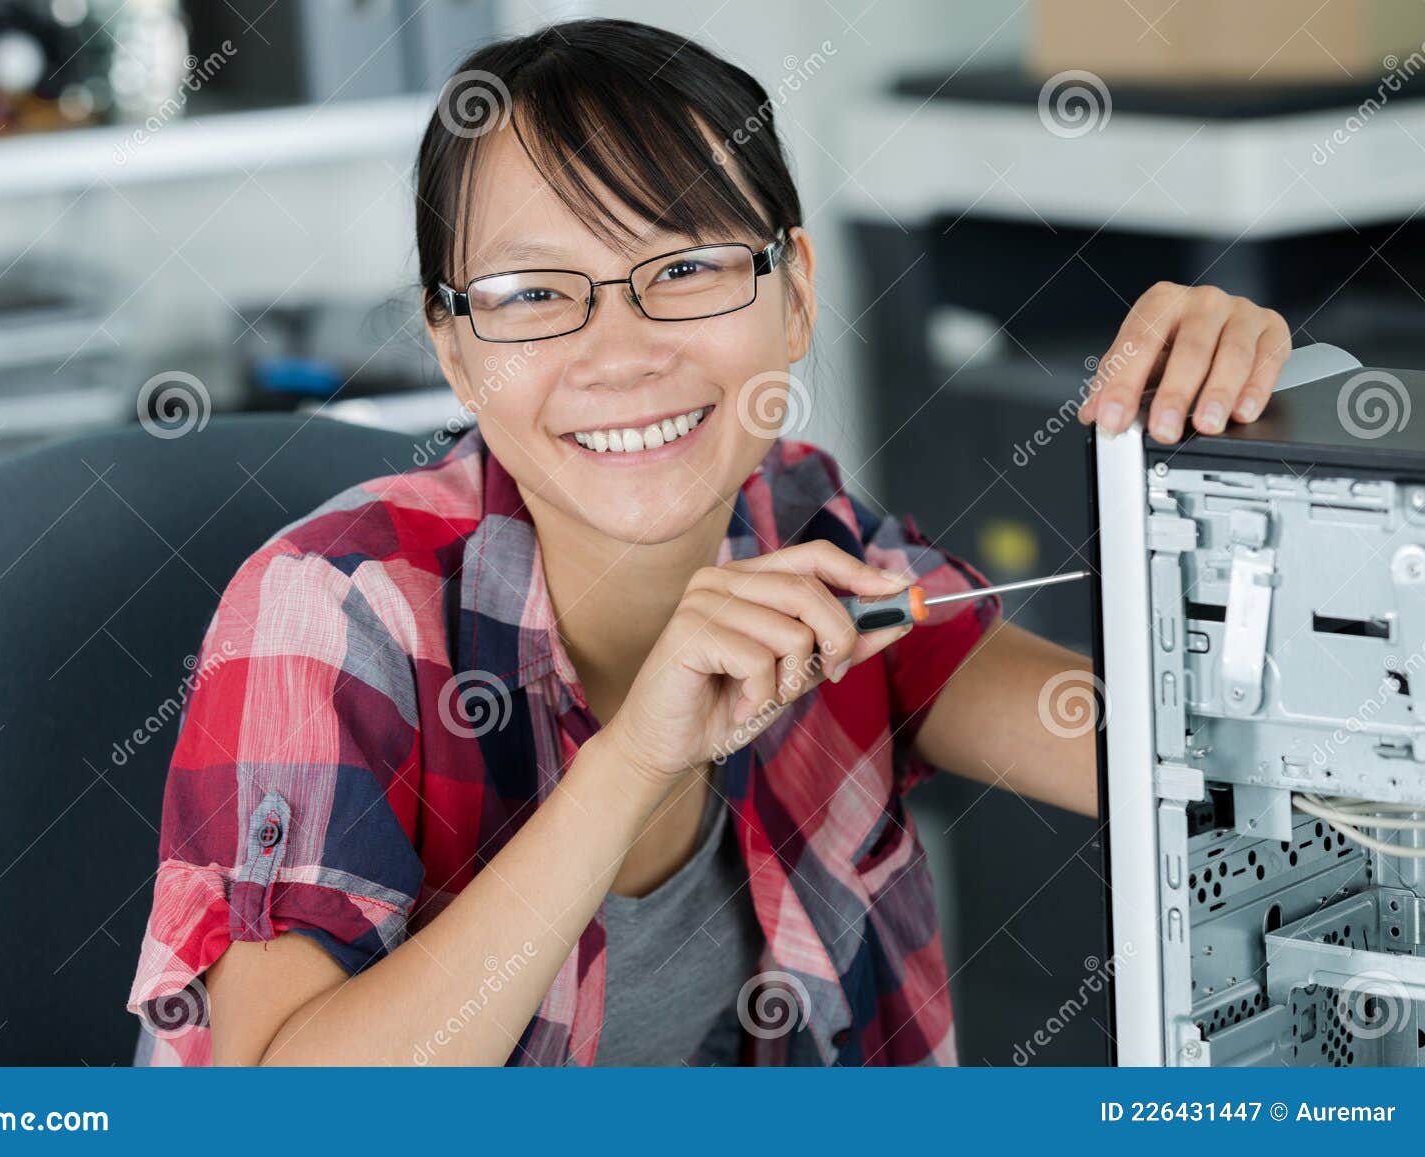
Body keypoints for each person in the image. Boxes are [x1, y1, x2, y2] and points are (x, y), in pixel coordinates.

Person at [126, 17, 1291, 1066]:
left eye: (685, 268)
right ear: (455, 348)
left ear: (795, 295)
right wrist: (634, 759)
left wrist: (1235, 449)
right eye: (532, 293)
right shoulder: (327, 609)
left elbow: (1191, 759)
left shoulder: (801, 521)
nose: (620, 350)